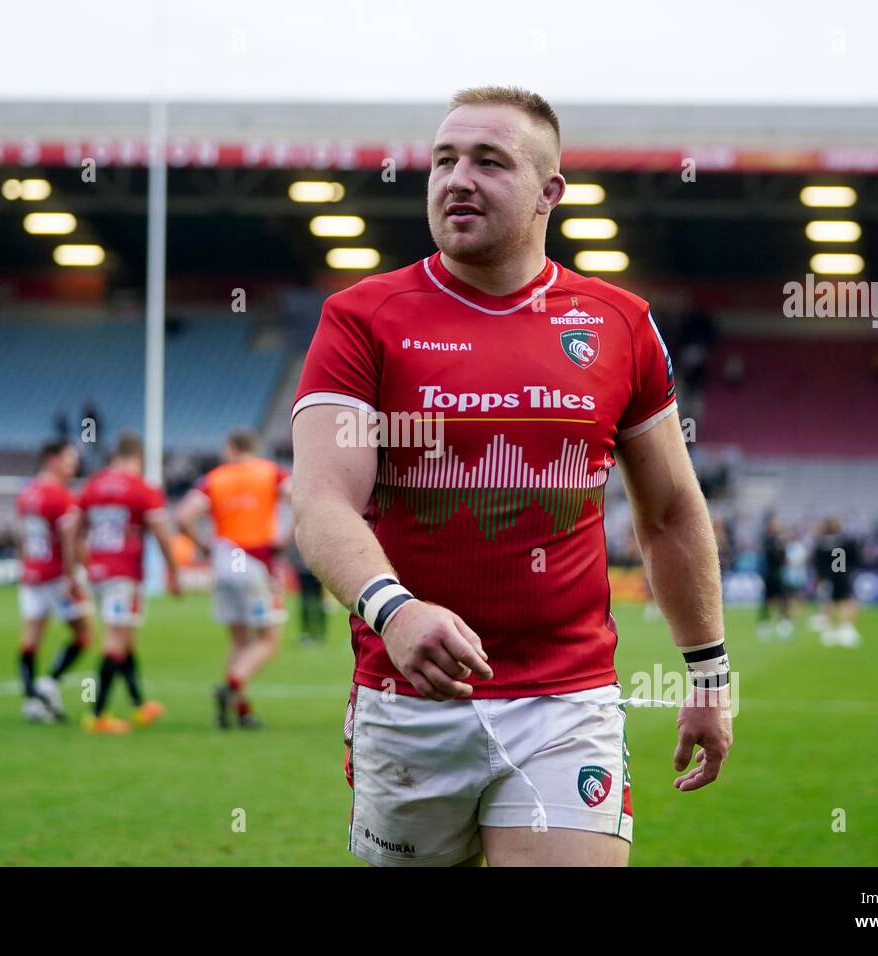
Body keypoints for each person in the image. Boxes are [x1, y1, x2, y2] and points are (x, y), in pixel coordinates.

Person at [290, 86, 732, 867]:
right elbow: (323, 503)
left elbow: (669, 512)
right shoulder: (362, 317)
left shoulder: (619, 323)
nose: (458, 179)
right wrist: (395, 612)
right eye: (444, 160)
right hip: (410, 695)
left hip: (568, 700)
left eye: (489, 162)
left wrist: (708, 675)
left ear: (548, 191)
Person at [176, 430, 290, 729]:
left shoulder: (214, 478)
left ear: (232, 448)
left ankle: (239, 710)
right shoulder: (271, 473)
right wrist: (286, 537)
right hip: (254, 560)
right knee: (268, 638)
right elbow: (301, 500)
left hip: (224, 558)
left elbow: (184, 516)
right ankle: (232, 684)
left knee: (239, 639)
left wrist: (202, 545)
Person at [76, 430, 180, 734]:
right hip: (124, 574)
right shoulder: (142, 489)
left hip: (97, 572)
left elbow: (75, 530)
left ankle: (138, 705)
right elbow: (162, 534)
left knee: (125, 638)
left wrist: (80, 565)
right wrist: (174, 571)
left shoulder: (93, 485)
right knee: (115, 640)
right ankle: (97, 715)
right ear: (140, 457)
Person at [16, 440, 91, 722]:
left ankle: (30, 701)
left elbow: (22, 535)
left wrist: (23, 564)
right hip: (58, 575)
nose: (74, 465)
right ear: (52, 459)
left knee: (31, 638)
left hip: (33, 572)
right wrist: (74, 576)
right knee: (84, 635)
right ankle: (48, 684)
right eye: (69, 459)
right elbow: (69, 540)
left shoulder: (27, 493)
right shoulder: (61, 496)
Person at [813, 517, 861, 647]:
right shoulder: (846, 541)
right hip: (842, 575)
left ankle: (828, 631)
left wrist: (820, 578)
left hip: (828, 577)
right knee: (845, 601)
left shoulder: (822, 543)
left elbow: (817, 562)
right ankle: (846, 628)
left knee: (827, 602)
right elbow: (855, 557)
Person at [757, 515, 792, 639]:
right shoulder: (768, 540)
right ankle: (764, 623)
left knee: (783, 599)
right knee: (767, 600)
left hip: (778, 574)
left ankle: (783, 623)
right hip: (769, 575)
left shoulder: (780, 540)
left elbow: (783, 557)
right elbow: (773, 556)